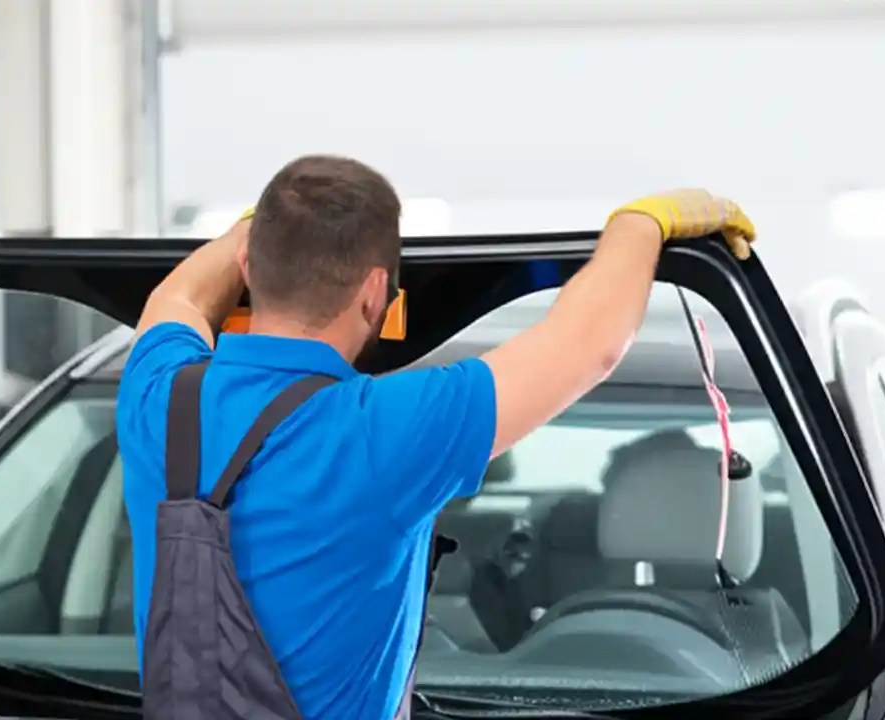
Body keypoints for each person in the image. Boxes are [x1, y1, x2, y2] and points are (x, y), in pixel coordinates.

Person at [117, 154, 756, 719]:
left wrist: (256, 232)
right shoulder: (384, 430)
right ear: (375, 293)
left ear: (249, 265)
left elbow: (179, 296)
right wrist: (640, 225)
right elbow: (588, 344)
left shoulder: (158, 395)